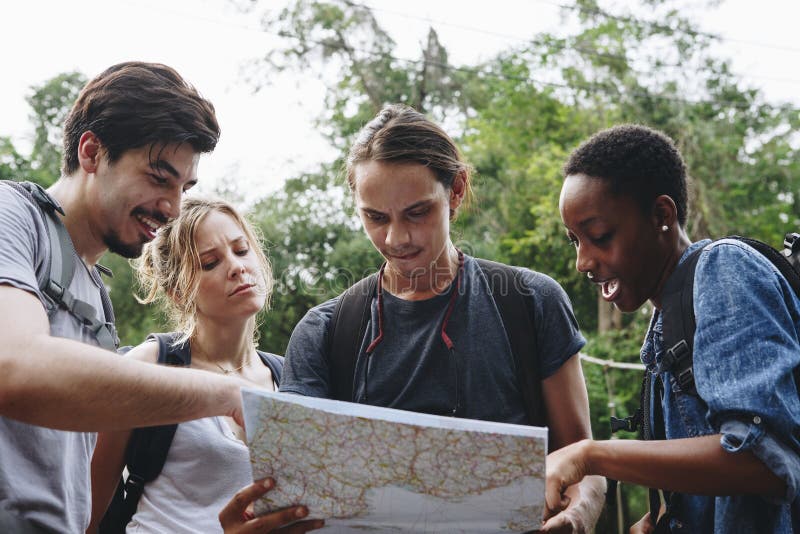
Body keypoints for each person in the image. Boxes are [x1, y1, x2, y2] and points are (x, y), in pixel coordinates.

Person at [281, 104, 606, 532]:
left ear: (456, 190)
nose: (396, 239)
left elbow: (583, 461)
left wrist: (578, 516)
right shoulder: (324, 333)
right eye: (375, 218)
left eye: (417, 212)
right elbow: (295, 491)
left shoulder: (530, 302)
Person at [0, 62, 251, 533]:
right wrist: (225, 393)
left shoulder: (96, 296)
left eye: (184, 187)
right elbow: (14, 367)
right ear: (92, 152)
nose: (173, 208)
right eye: (159, 177)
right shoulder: (11, 215)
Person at [552, 124, 799, 533]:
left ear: (661, 215)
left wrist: (590, 456)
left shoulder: (725, 270)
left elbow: (763, 460)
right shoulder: (665, 318)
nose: (583, 261)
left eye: (599, 236)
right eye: (575, 241)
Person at [88, 197, 322, 534]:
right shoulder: (152, 365)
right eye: (210, 263)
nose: (237, 267)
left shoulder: (288, 377)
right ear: (178, 292)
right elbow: (85, 514)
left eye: (241, 250)